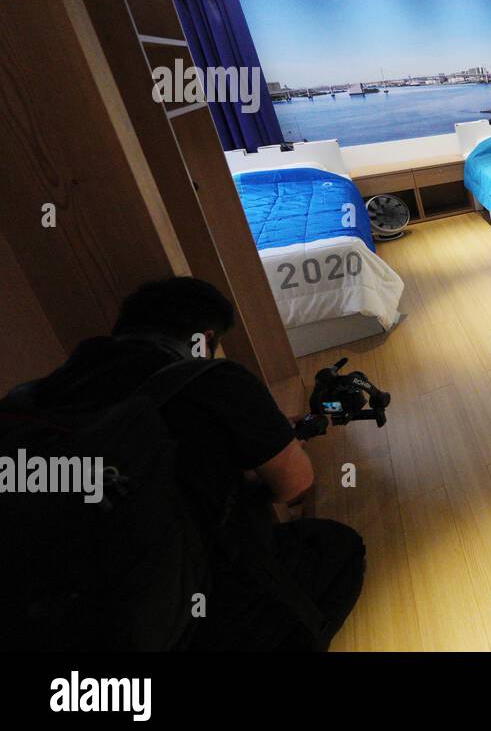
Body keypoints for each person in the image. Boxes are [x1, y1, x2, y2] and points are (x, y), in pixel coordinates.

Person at [23, 277, 365, 650]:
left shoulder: (42, 392)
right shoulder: (212, 379)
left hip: (60, 610)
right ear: (204, 337)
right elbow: (295, 486)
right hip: (191, 598)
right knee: (340, 548)